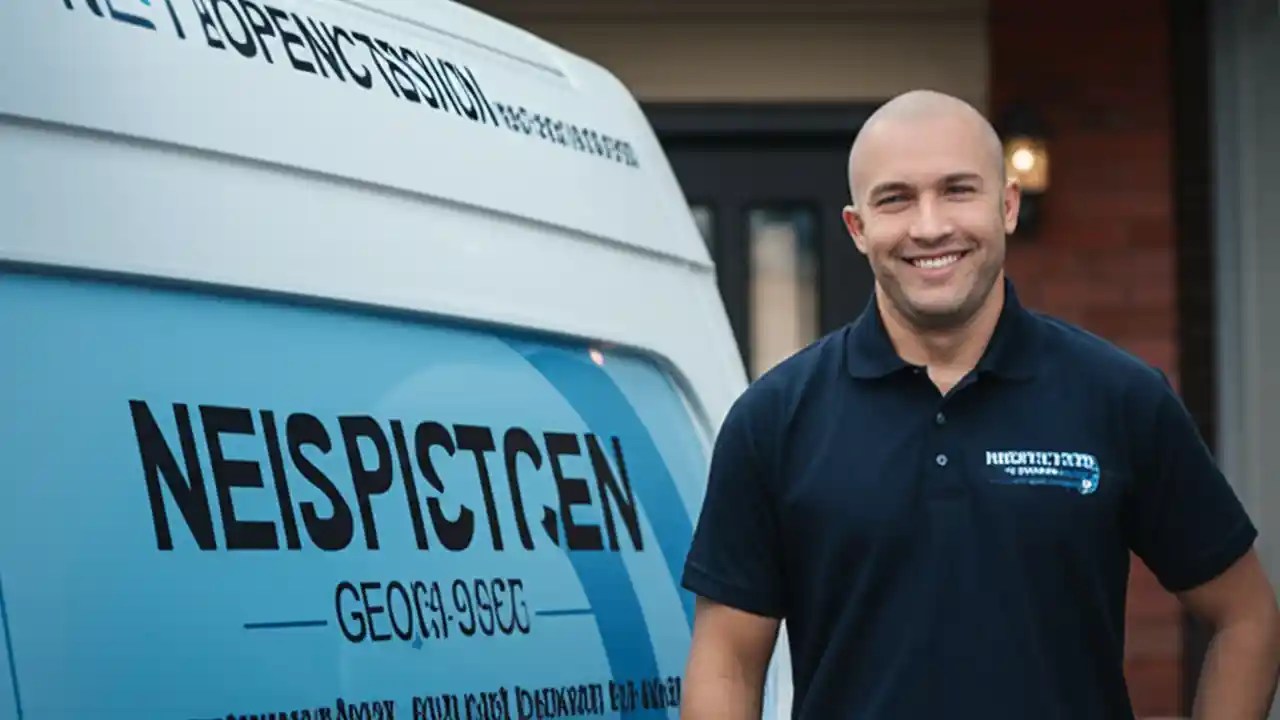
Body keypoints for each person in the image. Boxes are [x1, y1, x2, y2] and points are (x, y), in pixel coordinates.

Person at [679, 89, 1280, 719]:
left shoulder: (1118, 398)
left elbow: (1246, 617)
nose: (930, 225)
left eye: (958, 190)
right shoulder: (774, 420)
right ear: (858, 229)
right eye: (896, 198)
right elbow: (729, 663)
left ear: (1008, 206)